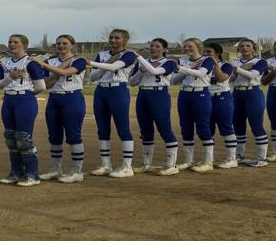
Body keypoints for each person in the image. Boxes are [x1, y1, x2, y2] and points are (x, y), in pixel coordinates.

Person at [0, 34, 49, 186]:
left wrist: (27, 95)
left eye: (16, 42)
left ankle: (32, 175)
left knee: (23, 138)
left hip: (25, 100)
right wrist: (10, 77)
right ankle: (16, 173)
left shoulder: (30, 62)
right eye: (10, 42)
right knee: (11, 138)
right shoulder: (4, 62)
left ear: (24, 44)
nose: (12, 44)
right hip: (8, 100)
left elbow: (41, 86)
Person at [83, 28, 138, 177]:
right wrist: (105, 62)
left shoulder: (129, 54)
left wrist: (91, 62)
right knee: (102, 129)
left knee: (123, 128)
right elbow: (93, 77)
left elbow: (114, 67)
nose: (113, 40)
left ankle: (127, 167)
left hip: (118, 90)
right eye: (111, 37)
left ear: (125, 40)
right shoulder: (102, 54)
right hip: (101, 91)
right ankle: (106, 164)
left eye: (117, 38)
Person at [130, 38, 183, 175]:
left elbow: (154, 71)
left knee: (164, 128)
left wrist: (139, 58)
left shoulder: (170, 62)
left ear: (164, 49)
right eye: (151, 46)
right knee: (145, 129)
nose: (153, 48)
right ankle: (147, 164)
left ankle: (171, 165)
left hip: (159, 95)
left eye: (157, 46)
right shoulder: (143, 63)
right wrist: (140, 71)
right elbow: (132, 82)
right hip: (143, 95)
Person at [41, 34, 89, 183]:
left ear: (72, 45)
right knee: (54, 136)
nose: (61, 46)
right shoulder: (51, 61)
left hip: (72, 98)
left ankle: (77, 171)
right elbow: (46, 85)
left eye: (64, 43)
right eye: (58, 43)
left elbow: (66, 72)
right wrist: (48, 67)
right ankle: (56, 169)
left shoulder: (79, 60)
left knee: (73, 135)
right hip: (54, 98)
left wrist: (42, 64)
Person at [172, 37, 217, 172]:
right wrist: (186, 68)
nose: (186, 49)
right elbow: (173, 80)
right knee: (186, 128)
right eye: (185, 46)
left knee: (203, 127)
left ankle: (208, 162)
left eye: (190, 46)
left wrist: (182, 69)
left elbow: (201, 73)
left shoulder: (207, 59)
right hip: (184, 94)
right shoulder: (183, 61)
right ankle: (188, 161)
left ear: (198, 46)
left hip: (200, 94)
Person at [230, 38, 270, 167]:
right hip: (236, 94)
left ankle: (261, 158)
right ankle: (239, 156)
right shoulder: (234, 61)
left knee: (256, 125)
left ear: (253, 48)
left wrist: (238, 70)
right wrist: (241, 68)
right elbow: (229, 78)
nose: (244, 48)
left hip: (253, 93)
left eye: (248, 46)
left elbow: (252, 75)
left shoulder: (260, 61)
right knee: (238, 126)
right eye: (241, 46)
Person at [205, 42, 240, 169]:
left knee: (226, 128)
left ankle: (232, 159)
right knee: (208, 129)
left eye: (209, 52)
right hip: (206, 98)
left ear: (218, 53)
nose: (205, 55)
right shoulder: (203, 65)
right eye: (205, 52)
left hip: (222, 97)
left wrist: (214, 64)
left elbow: (221, 78)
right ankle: (209, 160)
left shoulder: (226, 65)